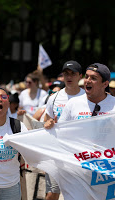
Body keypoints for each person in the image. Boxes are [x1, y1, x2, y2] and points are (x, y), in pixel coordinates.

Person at [44, 63, 115, 200]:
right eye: (87, 77)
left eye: (94, 78)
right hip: (77, 170)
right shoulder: (73, 104)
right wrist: (51, 126)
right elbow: (62, 135)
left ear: (105, 84)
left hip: (105, 174)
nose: (87, 80)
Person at [44, 60, 85, 200]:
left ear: (80, 76)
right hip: (57, 153)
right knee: (52, 194)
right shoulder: (54, 98)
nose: (69, 77)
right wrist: (48, 124)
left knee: (78, 194)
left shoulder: (88, 98)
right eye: (66, 73)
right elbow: (46, 121)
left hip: (80, 155)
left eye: (73, 74)